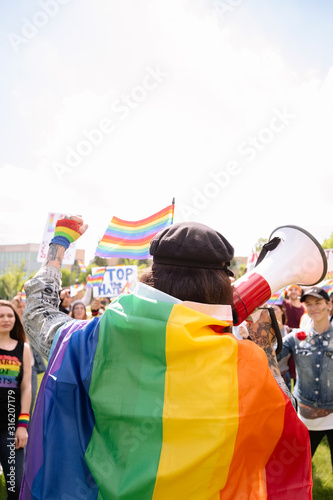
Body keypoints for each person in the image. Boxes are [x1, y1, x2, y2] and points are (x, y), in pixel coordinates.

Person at [21, 216, 312, 499]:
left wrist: (59, 246)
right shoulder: (244, 362)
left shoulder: (92, 341)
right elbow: (279, 417)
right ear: (222, 286)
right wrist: (264, 348)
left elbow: (37, 316)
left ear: (151, 276)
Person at [278, 286, 333, 471]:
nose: (313, 307)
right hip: (306, 418)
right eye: (309, 304)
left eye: (318, 302)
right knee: (299, 469)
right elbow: (270, 356)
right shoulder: (295, 338)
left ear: (329, 304)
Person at [0, 300, 31, 500]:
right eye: (1, 316)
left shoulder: (23, 349)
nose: (6, 319)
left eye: (10, 315)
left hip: (10, 426)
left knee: (15, 482)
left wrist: (22, 424)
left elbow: (26, 386)